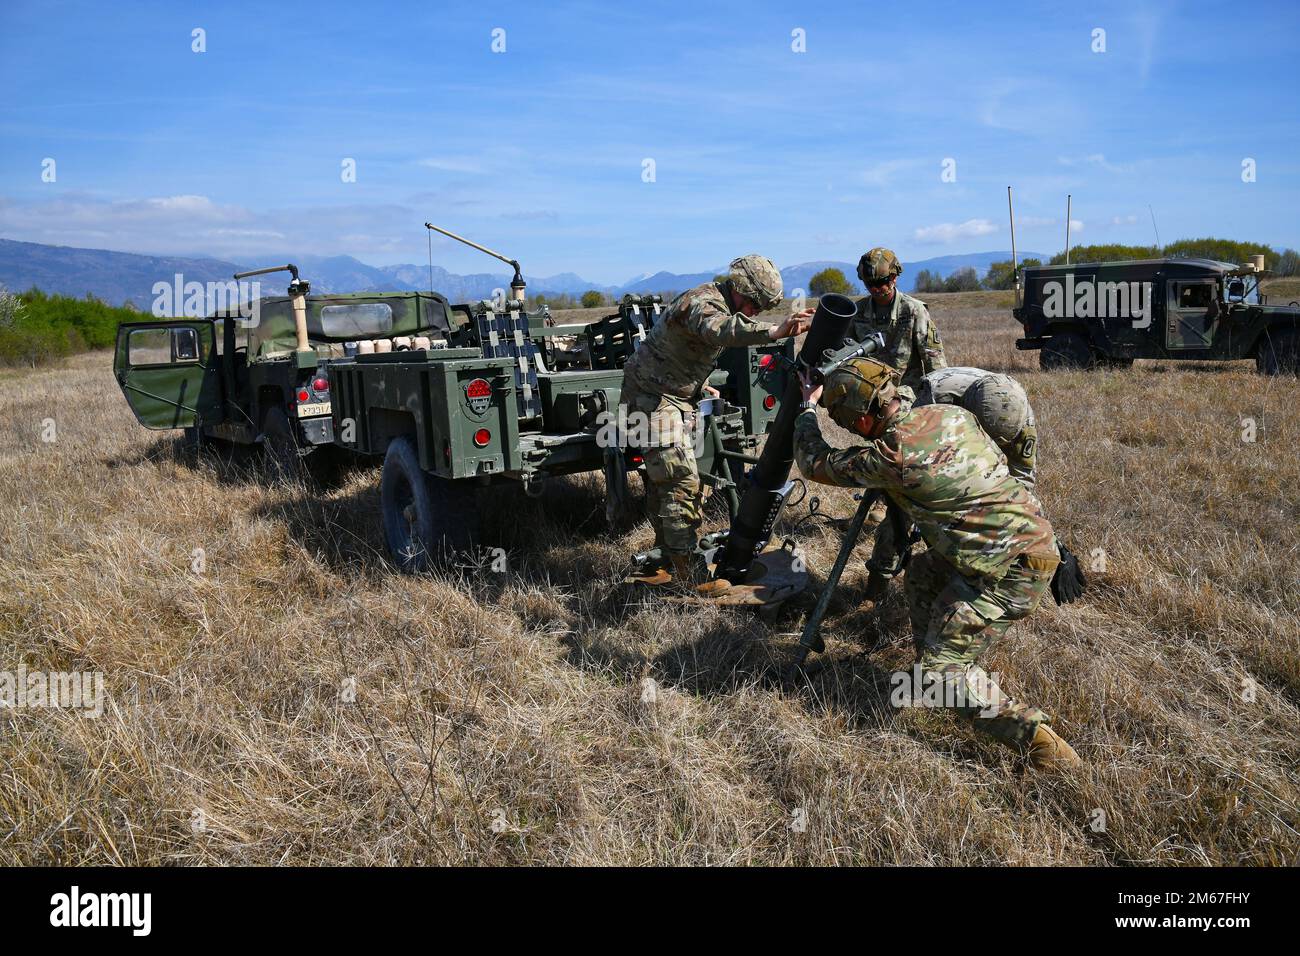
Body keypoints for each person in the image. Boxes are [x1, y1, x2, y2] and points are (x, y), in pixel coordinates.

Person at [793, 356, 1082, 770]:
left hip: (1009, 572)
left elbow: (813, 462)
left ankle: (1043, 747)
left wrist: (807, 407)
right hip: (1019, 545)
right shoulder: (950, 414)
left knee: (942, 677)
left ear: (860, 421)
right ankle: (931, 663)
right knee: (922, 573)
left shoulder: (894, 457)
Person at [622, 255, 812, 583]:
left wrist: (699, 384)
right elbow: (721, 329)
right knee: (681, 481)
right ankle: (690, 575)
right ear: (740, 289)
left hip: (673, 395)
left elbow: (688, 349)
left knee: (665, 482)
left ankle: (666, 555)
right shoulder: (702, 303)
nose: (755, 312)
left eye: (762, 308)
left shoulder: (719, 303)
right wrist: (773, 330)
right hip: (650, 398)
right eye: (754, 304)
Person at [850, 247, 946, 390]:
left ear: (894, 277)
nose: (874, 288)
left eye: (880, 283)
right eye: (869, 284)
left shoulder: (914, 310)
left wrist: (939, 395)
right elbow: (847, 357)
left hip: (906, 395)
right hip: (868, 395)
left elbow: (934, 363)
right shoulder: (857, 312)